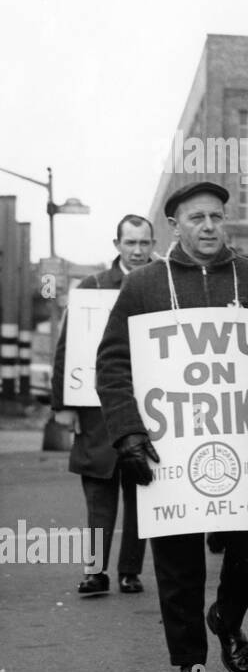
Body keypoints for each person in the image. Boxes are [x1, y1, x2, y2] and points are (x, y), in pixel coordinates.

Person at [95, 182, 248, 672]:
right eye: (196, 218)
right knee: (177, 560)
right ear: (175, 226)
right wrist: (128, 433)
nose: (208, 226)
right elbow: (113, 363)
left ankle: (227, 617)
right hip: (171, 450)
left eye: (216, 216)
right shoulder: (144, 286)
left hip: (247, 447)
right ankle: (189, 665)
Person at [51, 214, 155, 596]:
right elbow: (68, 348)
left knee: (141, 495)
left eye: (145, 243)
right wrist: (62, 404)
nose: (138, 251)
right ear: (117, 246)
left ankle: (130, 571)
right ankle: (95, 571)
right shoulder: (91, 287)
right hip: (95, 411)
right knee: (99, 497)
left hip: (148, 409)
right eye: (131, 243)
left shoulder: (162, 285)